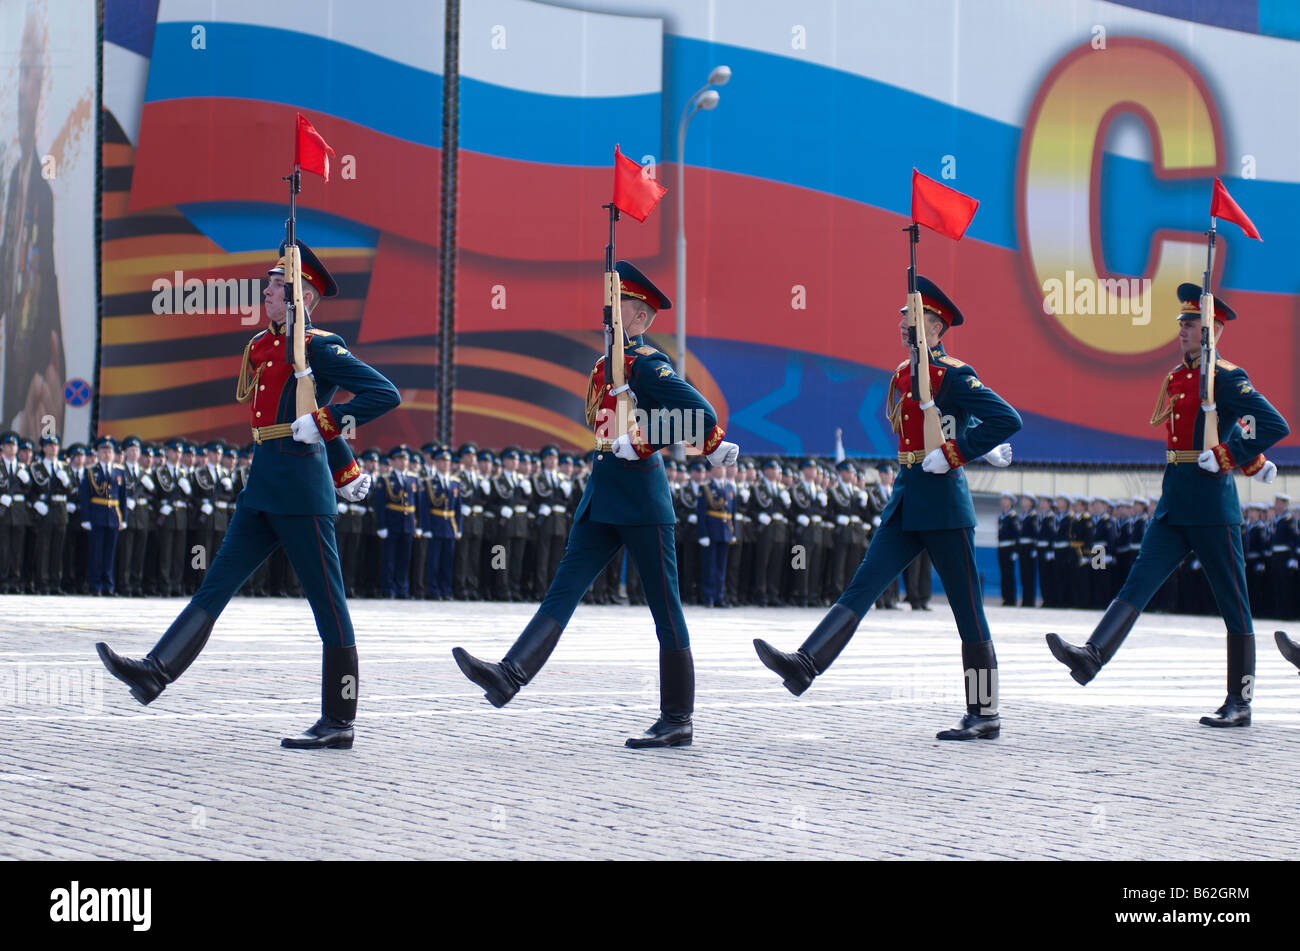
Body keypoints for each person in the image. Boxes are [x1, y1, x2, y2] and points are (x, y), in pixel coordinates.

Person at [95, 241, 400, 749]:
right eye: (269, 283)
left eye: (277, 285)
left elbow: (382, 393)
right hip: (263, 485)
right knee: (215, 586)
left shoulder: (320, 347)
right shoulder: (262, 344)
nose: (267, 291)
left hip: (303, 490)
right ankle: (156, 671)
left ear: (301, 295)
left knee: (329, 606)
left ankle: (339, 720)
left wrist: (323, 421)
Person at [452, 261, 739, 748]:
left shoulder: (647, 363)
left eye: (619, 306)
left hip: (643, 499)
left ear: (641, 320)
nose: (607, 313)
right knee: (562, 591)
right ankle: (510, 675)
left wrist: (645, 439)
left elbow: (701, 414)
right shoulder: (607, 366)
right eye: (608, 303)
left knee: (664, 608)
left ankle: (678, 718)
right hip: (603, 493)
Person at [754, 276, 1019, 740]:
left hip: (944, 504)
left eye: (913, 317)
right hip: (907, 497)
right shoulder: (901, 374)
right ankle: (806, 664)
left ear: (936, 328)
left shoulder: (953, 372)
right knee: (862, 586)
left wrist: (959, 452)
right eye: (903, 316)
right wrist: (962, 441)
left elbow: (1005, 418)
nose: (902, 323)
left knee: (968, 611)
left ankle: (985, 712)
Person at [1045, 284, 1288, 728]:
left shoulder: (1228, 377)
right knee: (1138, 582)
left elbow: (1272, 422)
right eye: (1180, 323)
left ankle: (1240, 700)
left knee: (1234, 603)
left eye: (1191, 324)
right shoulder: (1179, 377)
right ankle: (1091, 657)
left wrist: (1233, 455)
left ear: (1211, 330)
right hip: (1175, 499)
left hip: (1213, 504)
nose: (1182, 330)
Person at [79, 435, 127, 595]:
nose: (107, 454)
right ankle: (96, 584)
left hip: (113, 516)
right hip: (97, 515)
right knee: (96, 553)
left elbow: (123, 497)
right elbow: (85, 496)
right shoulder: (91, 471)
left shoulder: (119, 471)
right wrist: (85, 518)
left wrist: (124, 518)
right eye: (103, 450)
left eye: (109, 451)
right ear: (98, 453)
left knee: (109, 553)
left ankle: (108, 584)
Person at [996, 493, 1018, 606]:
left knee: (1009, 574)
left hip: (1009, 548)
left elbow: (1016, 535)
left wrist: (1015, 550)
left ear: (1011, 502)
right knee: (1004, 574)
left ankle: (1011, 599)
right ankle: (1005, 598)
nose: (1003, 502)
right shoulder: (1001, 517)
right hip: (1002, 547)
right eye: (1002, 499)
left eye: (1006, 499)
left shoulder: (1013, 517)